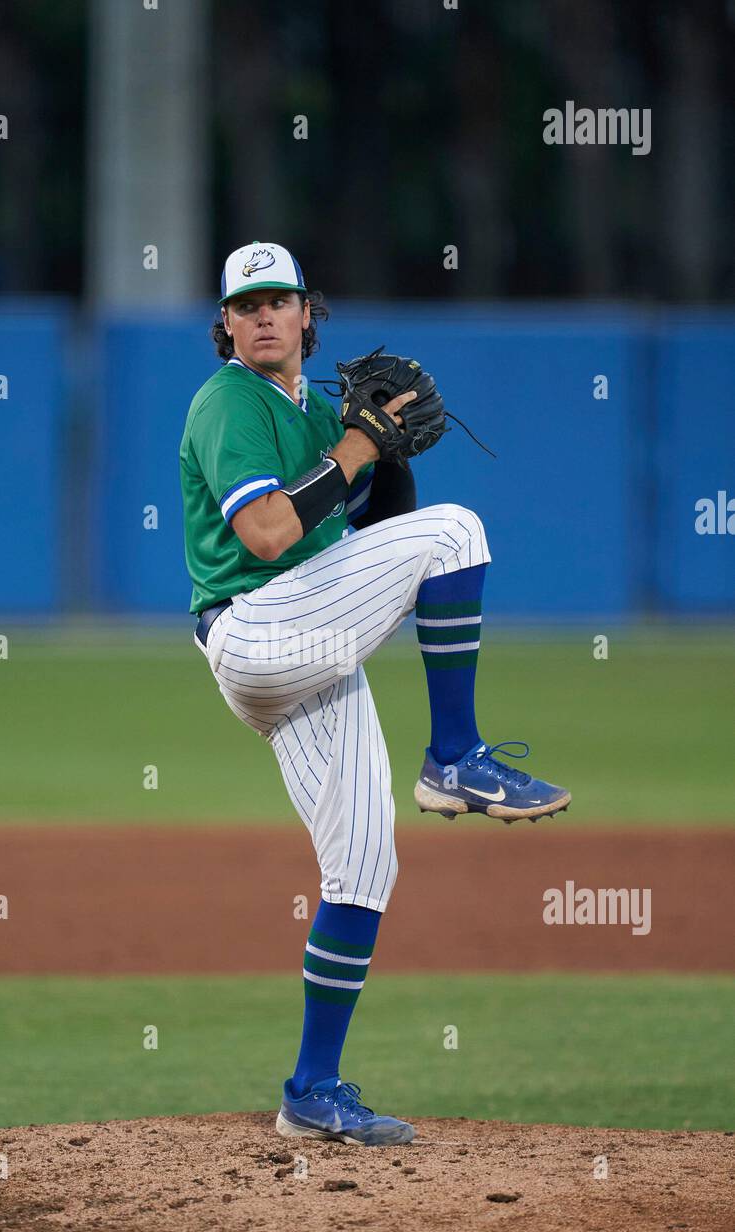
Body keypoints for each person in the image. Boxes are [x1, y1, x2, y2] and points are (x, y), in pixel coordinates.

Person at [179, 241, 570, 1147]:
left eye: (281, 300)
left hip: (311, 648)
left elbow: (374, 540)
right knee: (459, 532)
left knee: (363, 867)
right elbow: (273, 532)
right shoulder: (226, 403)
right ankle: (456, 756)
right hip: (258, 628)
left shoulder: (319, 406)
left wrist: (386, 463)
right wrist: (358, 446)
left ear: (309, 314)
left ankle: (311, 1092)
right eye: (247, 305)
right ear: (227, 325)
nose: (265, 316)